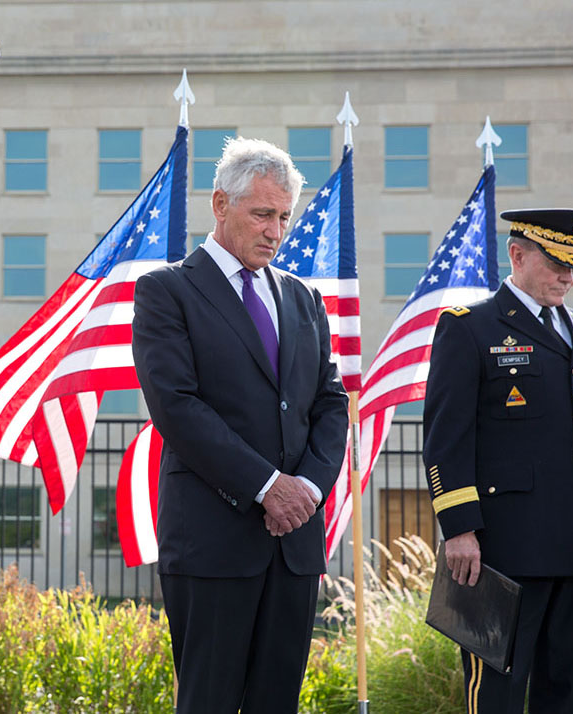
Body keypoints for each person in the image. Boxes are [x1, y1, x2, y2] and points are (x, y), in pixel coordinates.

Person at [132, 137, 349, 714]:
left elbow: (331, 404)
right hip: (213, 543)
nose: (275, 230)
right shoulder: (167, 291)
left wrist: (306, 488)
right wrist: (265, 486)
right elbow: (177, 407)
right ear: (219, 205)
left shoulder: (304, 299)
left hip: (294, 545)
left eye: (284, 216)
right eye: (262, 214)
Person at [423, 208, 573, 713]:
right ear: (517, 255)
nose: (568, 276)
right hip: (504, 552)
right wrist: (458, 528)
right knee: (496, 696)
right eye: (557, 263)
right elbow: (446, 438)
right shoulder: (470, 327)